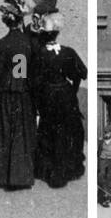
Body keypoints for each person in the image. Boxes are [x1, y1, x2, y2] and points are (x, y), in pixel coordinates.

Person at [0, 0, 37, 190]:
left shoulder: (1, 45)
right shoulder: (28, 44)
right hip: (24, 94)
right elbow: (31, 70)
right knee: (22, 133)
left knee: (5, 132)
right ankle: (22, 175)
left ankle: (4, 175)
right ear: (20, 21)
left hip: (6, 94)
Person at [32, 14, 87, 188]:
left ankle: (50, 170)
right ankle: (69, 168)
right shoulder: (68, 52)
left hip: (48, 95)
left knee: (49, 131)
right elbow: (81, 73)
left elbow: (34, 81)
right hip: (65, 95)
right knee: (69, 130)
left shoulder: (40, 54)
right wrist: (73, 89)